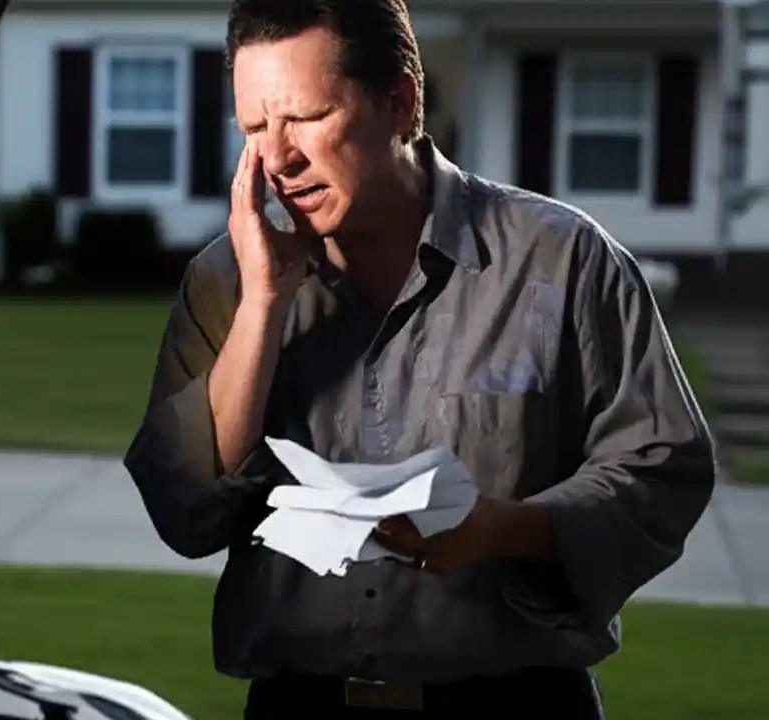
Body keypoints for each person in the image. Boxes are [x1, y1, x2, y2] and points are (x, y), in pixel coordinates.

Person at [121, 0, 717, 717]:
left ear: (400, 103)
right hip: (297, 705)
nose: (277, 159)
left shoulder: (563, 261)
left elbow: (663, 469)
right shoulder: (227, 281)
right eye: (254, 128)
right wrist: (264, 306)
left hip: (515, 704)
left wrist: (504, 528)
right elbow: (184, 510)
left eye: (307, 118)